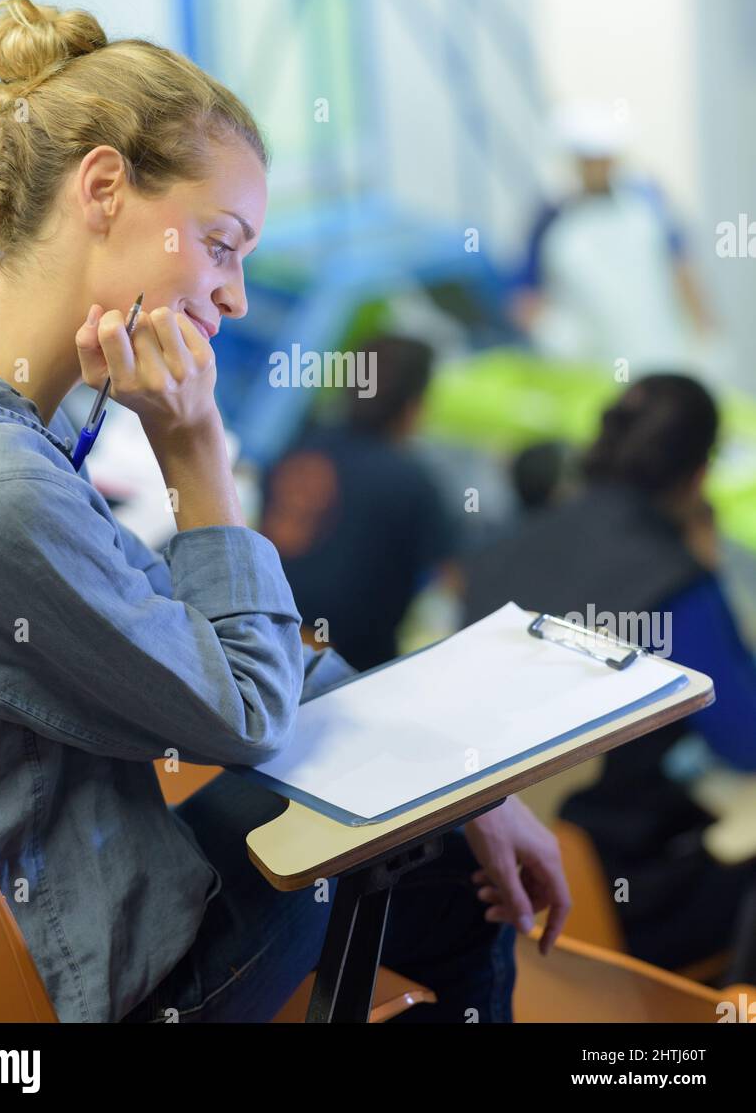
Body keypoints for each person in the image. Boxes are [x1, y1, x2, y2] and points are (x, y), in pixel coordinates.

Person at [0, 0, 568, 1023]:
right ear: (104, 188)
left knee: (414, 819)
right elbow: (245, 713)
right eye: (221, 243)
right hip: (88, 976)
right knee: (422, 868)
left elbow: (165, 612)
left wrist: (469, 781)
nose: (237, 295)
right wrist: (198, 458)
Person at [463, 374, 756, 977]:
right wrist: (709, 567)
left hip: (482, 889)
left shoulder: (502, 550)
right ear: (699, 476)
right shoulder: (672, 578)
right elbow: (746, 741)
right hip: (609, 896)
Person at [260, 334, 464, 672]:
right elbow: (455, 582)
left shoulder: (299, 444)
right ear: (414, 407)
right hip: (345, 669)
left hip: (258, 635)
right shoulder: (412, 482)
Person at [511, 102, 715, 378]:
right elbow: (525, 296)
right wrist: (553, 331)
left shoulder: (647, 203)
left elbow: (682, 268)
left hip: (660, 351)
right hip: (587, 363)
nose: (597, 168)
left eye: (603, 159)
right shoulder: (551, 217)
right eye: (588, 160)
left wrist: (706, 335)